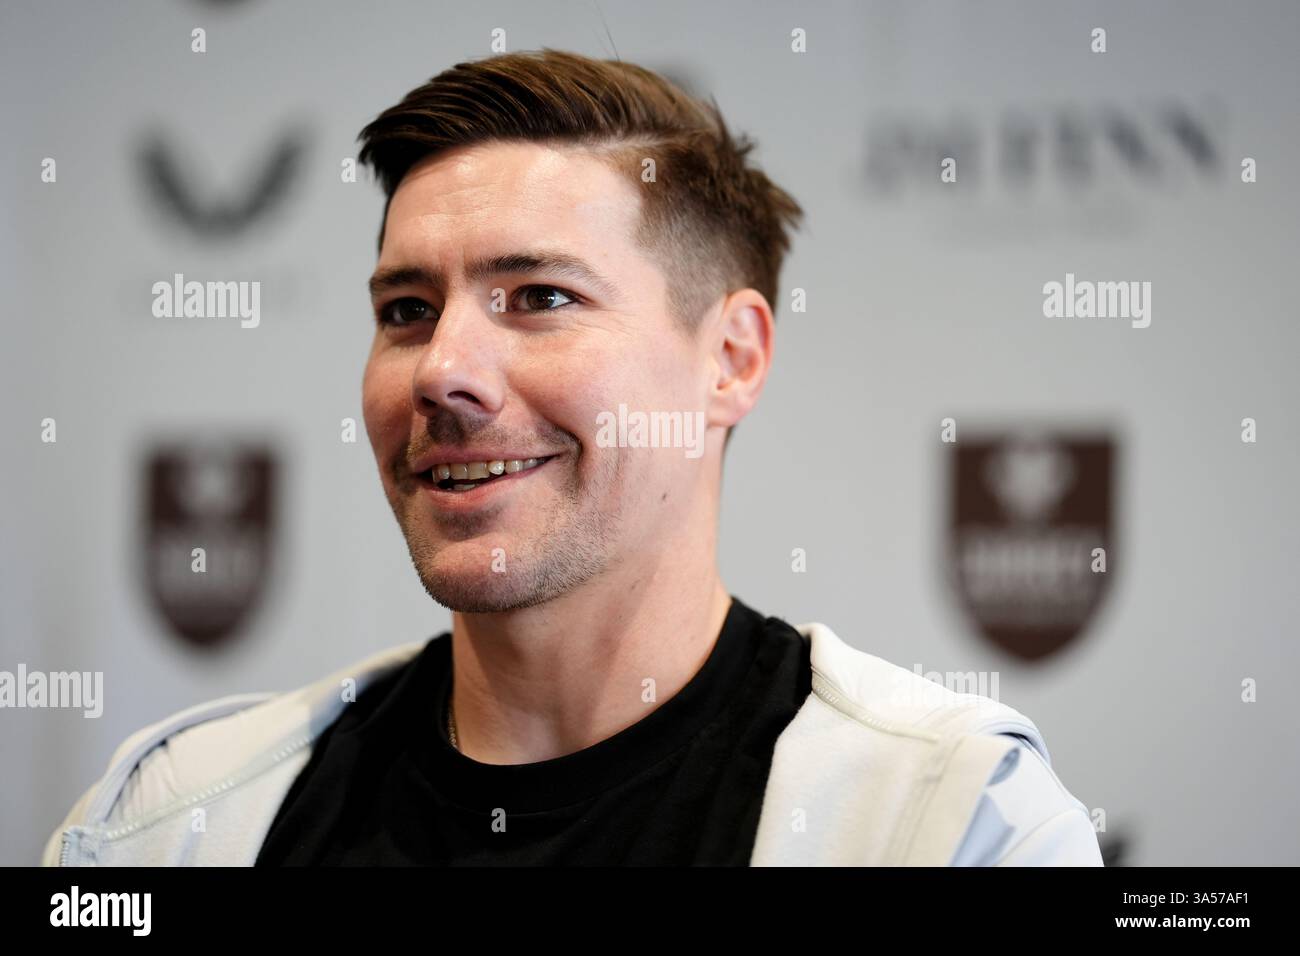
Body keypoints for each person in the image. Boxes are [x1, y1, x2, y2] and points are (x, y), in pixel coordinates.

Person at [43, 48, 1101, 866]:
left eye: (541, 298)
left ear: (729, 358)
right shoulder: (170, 826)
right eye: (406, 309)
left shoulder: (948, 823)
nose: (441, 369)